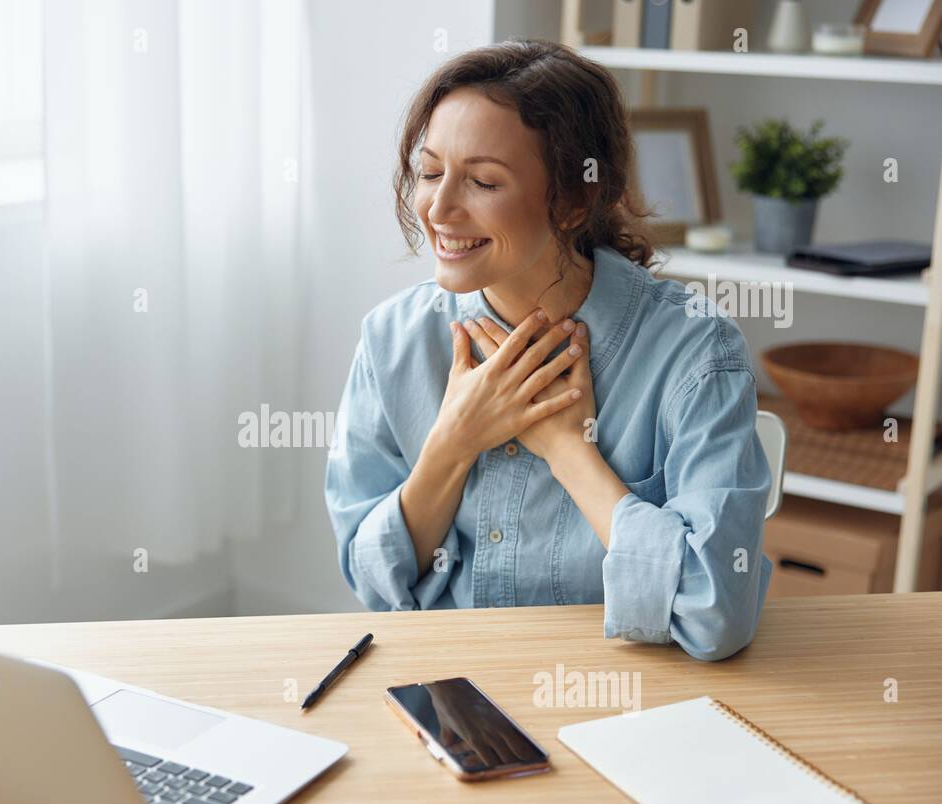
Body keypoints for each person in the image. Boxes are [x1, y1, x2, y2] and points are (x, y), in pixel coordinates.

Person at [324, 40, 771, 662]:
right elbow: (371, 580)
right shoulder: (391, 340)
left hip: (628, 699)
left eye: (482, 181)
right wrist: (452, 444)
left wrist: (568, 451)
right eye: (430, 172)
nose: (439, 208)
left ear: (574, 199)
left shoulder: (696, 353)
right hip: (449, 691)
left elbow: (717, 614)